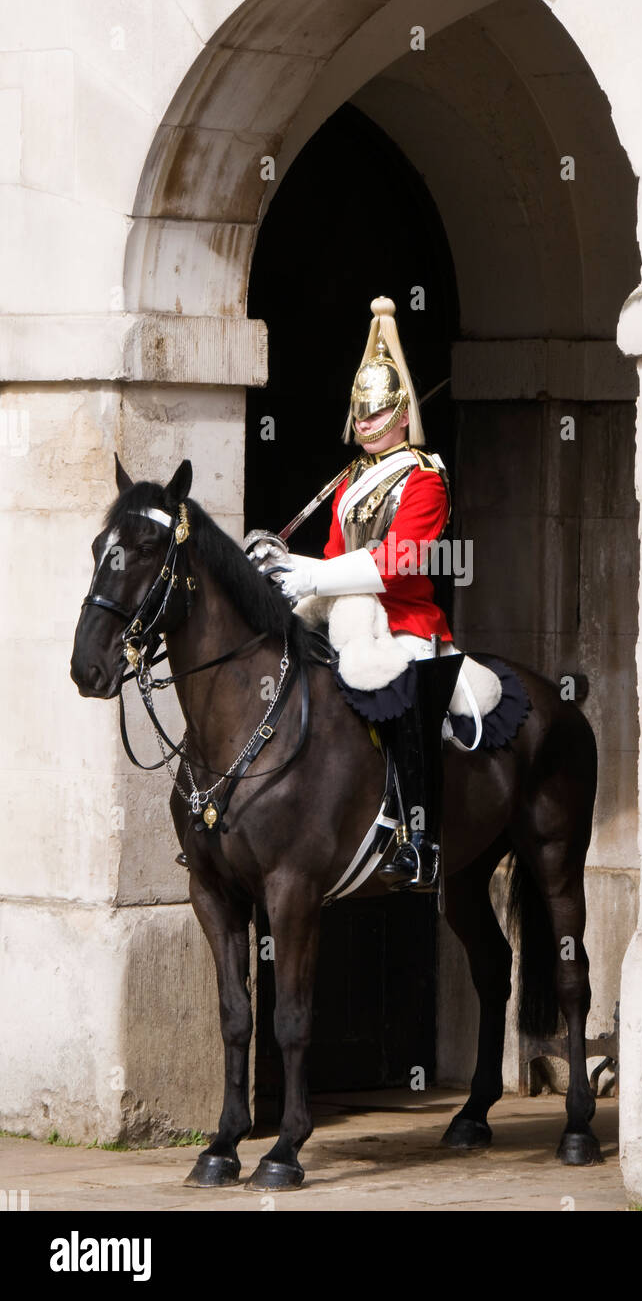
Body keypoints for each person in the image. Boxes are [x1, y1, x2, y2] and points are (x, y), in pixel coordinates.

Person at [252, 296, 462, 893]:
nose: (366, 424)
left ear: (402, 414)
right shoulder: (350, 480)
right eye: (360, 414)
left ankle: (418, 838)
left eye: (378, 415)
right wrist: (284, 562)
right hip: (347, 614)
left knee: (408, 690)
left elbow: (396, 563)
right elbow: (336, 555)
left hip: (406, 620)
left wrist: (313, 577)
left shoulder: (424, 476)